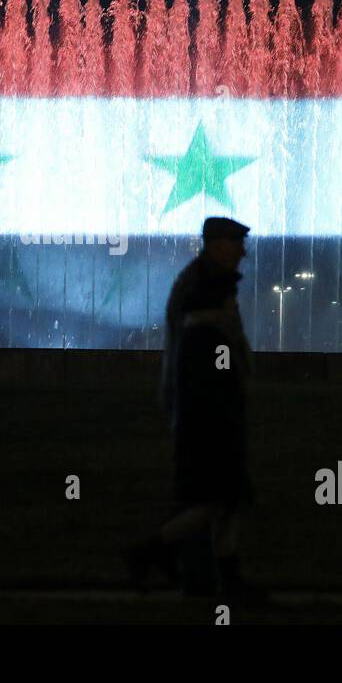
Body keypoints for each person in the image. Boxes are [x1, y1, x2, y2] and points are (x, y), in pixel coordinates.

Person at [123, 216, 263, 600]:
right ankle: (153, 552)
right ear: (218, 246)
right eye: (237, 243)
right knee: (218, 498)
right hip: (209, 415)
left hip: (207, 411)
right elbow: (209, 362)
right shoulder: (206, 297)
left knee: (221, 500)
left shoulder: (204, 286)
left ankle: (202, 573)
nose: (243, 251)